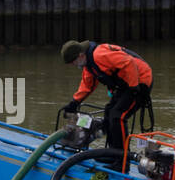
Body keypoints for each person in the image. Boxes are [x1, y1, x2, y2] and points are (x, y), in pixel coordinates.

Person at [61, 39, 154, 168]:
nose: (73, 65)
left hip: (140, 81)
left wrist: (134, 88)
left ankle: (122, 161)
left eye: (73, 62)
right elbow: (87, 85)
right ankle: (113, 154)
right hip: (126, 83)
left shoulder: (99, 55)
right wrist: (74, 102)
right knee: (109, 112)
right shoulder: (88, 64)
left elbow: (128, 62)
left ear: (80, 55)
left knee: (118, 117)